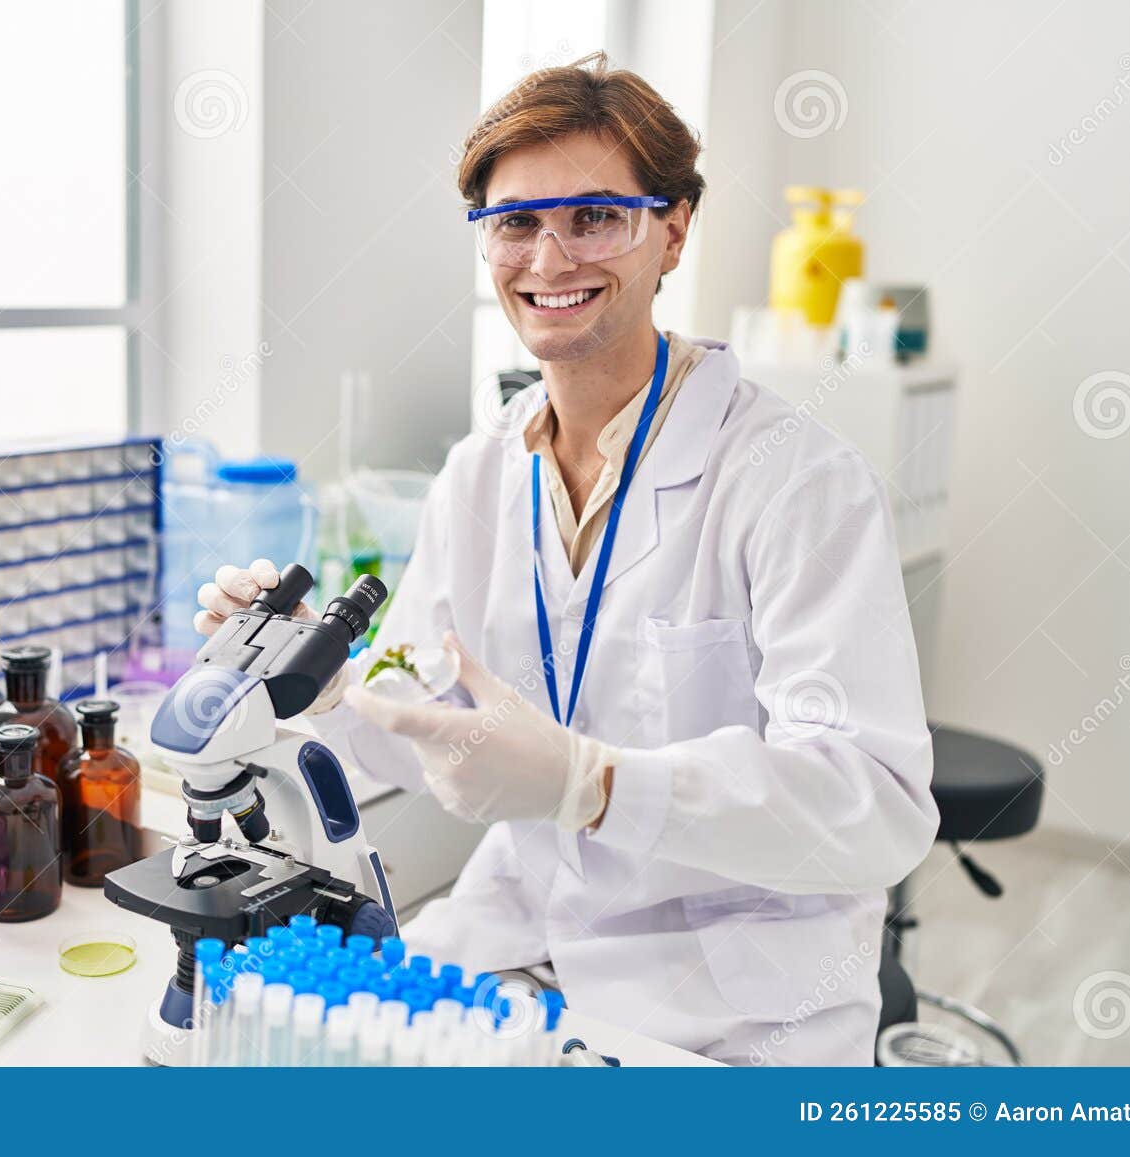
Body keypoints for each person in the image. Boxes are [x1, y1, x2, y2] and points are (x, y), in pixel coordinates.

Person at [196, 54, 936, 1066]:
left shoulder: (795, 479)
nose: (548, 258)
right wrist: (312, 682)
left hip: (737, 1007)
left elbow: (876, 810)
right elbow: (415, 721)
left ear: (672, 228)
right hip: (509, 951)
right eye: (514, 223)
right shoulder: (480, 471)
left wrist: (593, 782)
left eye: (595, 216)